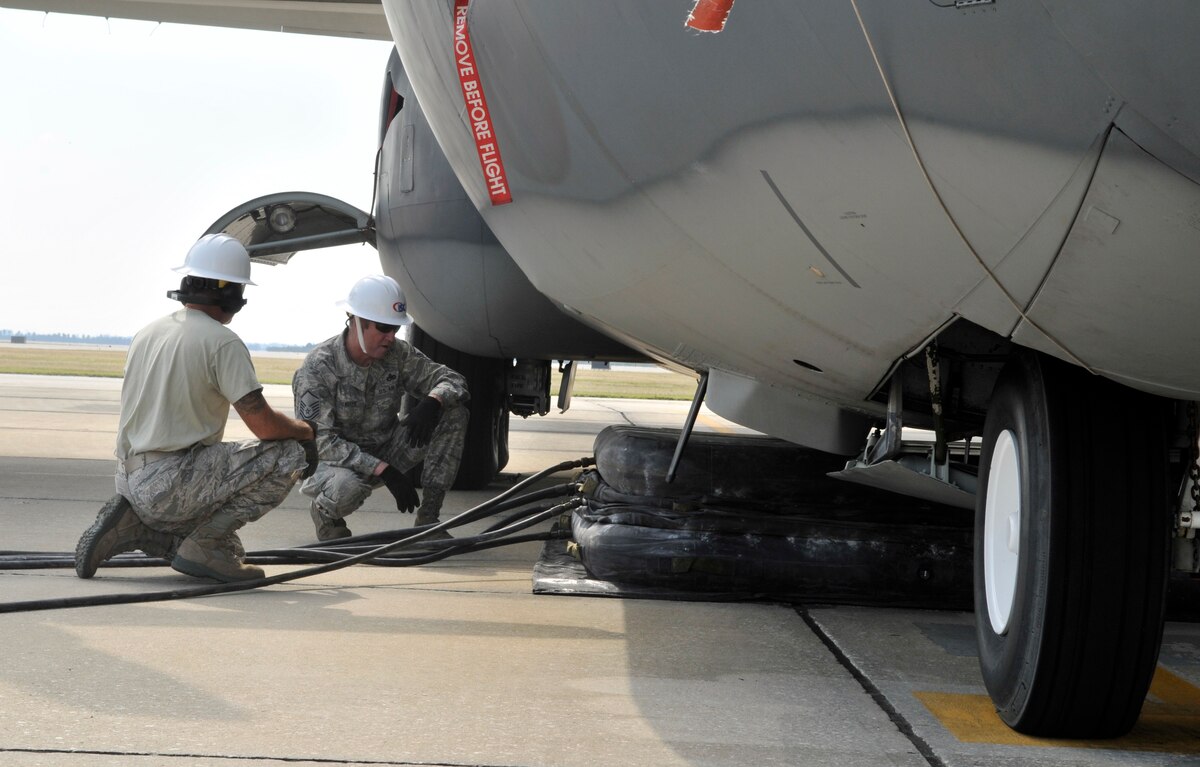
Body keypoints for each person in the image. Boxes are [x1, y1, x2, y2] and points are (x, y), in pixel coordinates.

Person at [74, 234, 318, 583]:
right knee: (289, 454)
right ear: (232, 294)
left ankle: (134, 527)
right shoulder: (222, 342)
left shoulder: (149, 331)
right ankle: (199, 542)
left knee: (232, 550)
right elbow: (264, 426)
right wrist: (306, 431)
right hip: (169, 484)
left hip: (129, 478)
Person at [292, 274, 469, 541]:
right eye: (383, 327)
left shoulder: (398, 354)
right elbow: (321, 442)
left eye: (395, 329)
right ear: (356, 321)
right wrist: (383, 470)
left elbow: (455, 380)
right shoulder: (318, 367)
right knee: (346, 488)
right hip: (332, 464)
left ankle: (428, 519)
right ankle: (326, 513)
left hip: (385, 450)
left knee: (453, 412)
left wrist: (433, 401)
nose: (390, 337)